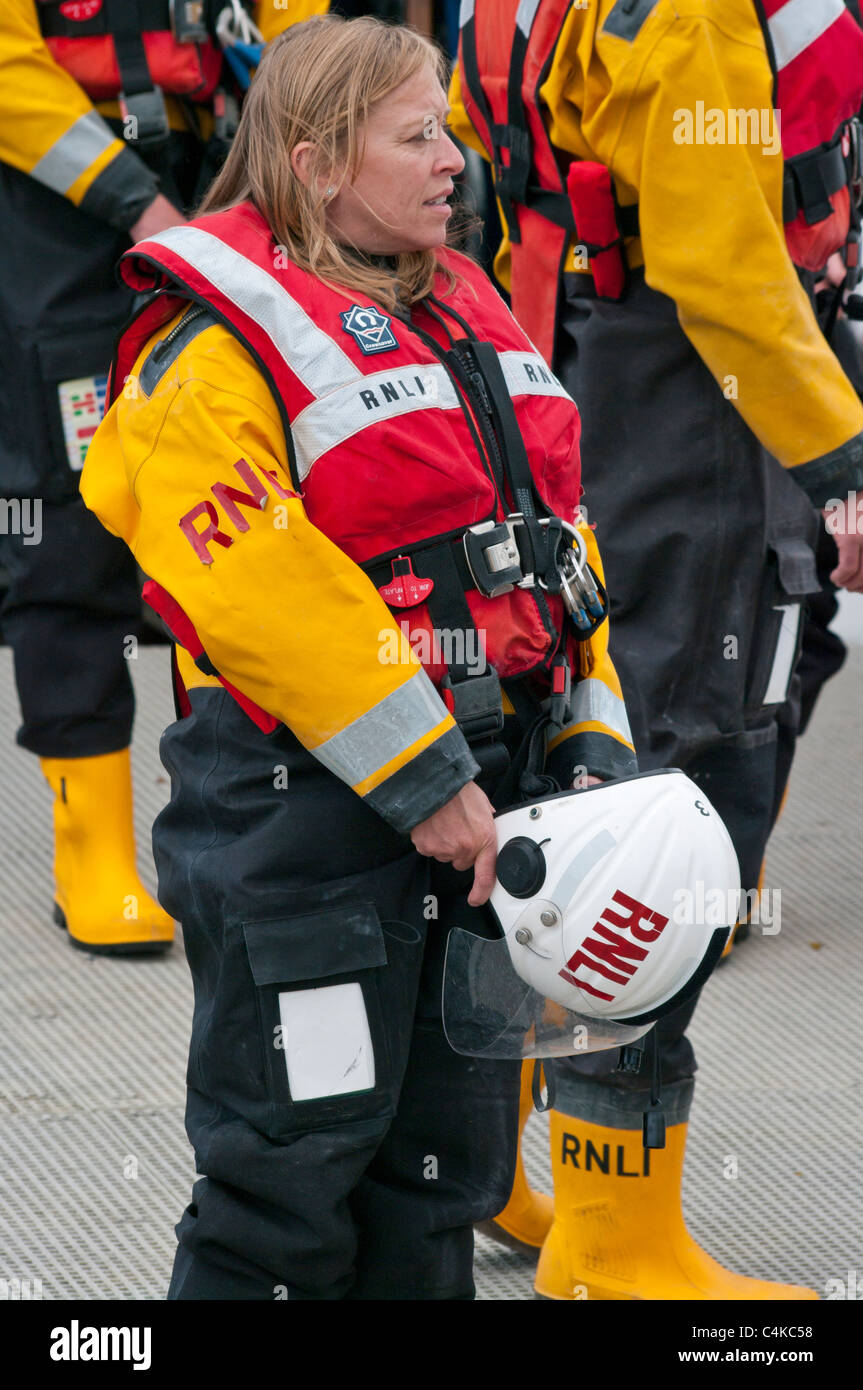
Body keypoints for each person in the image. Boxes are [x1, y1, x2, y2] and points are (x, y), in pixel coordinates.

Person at [80, 14, 637, 1300]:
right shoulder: (207, 352)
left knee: (443, 1180)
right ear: (321, 161)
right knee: (285, 1182)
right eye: (417, 135)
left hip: (490, 822)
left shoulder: (465, 311)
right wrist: (433, 782)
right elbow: (263, 586)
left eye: (448, 128)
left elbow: (557, 548)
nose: (454, 159)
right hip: (305, 835)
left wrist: (591, 735)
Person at [449, 0, 863, 1300]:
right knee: (667, 821)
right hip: (695, 392)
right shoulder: (688, 19)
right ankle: (612, 1239)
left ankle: (506, 1177)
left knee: (581, 787)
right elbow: (725, 272)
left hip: (582, 362)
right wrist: (839, 465)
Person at [0, 0, 325, 953]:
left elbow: (300, 28)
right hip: (58, 214)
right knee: (70, 530)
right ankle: (90, 848)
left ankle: (255, 818)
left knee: (248, 501)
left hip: (221, 176)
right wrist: (138, 204)